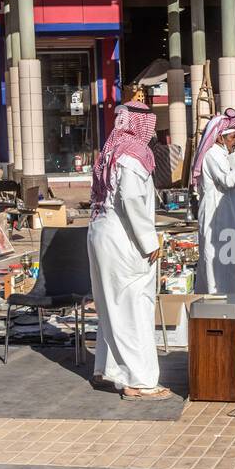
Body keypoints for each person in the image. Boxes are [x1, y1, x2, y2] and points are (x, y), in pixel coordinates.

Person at [87, 102, 169, 399]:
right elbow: (131, 200)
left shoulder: (112, 149)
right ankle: (140, 381)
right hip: (123, 237)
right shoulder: (132, 155)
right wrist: (149, 241)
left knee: (113, 307)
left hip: (102, 232)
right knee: (133, 308)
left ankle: (112, 371)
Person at [193, 110, 235, 295]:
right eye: (233, 137)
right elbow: (228, 181)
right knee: (216, 264)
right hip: (216, 217)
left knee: (228, 262)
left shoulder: (223, 154)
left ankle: (230, 305)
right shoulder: (212, 155)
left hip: (226, 216)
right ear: (220, 138)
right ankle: (217, 307)